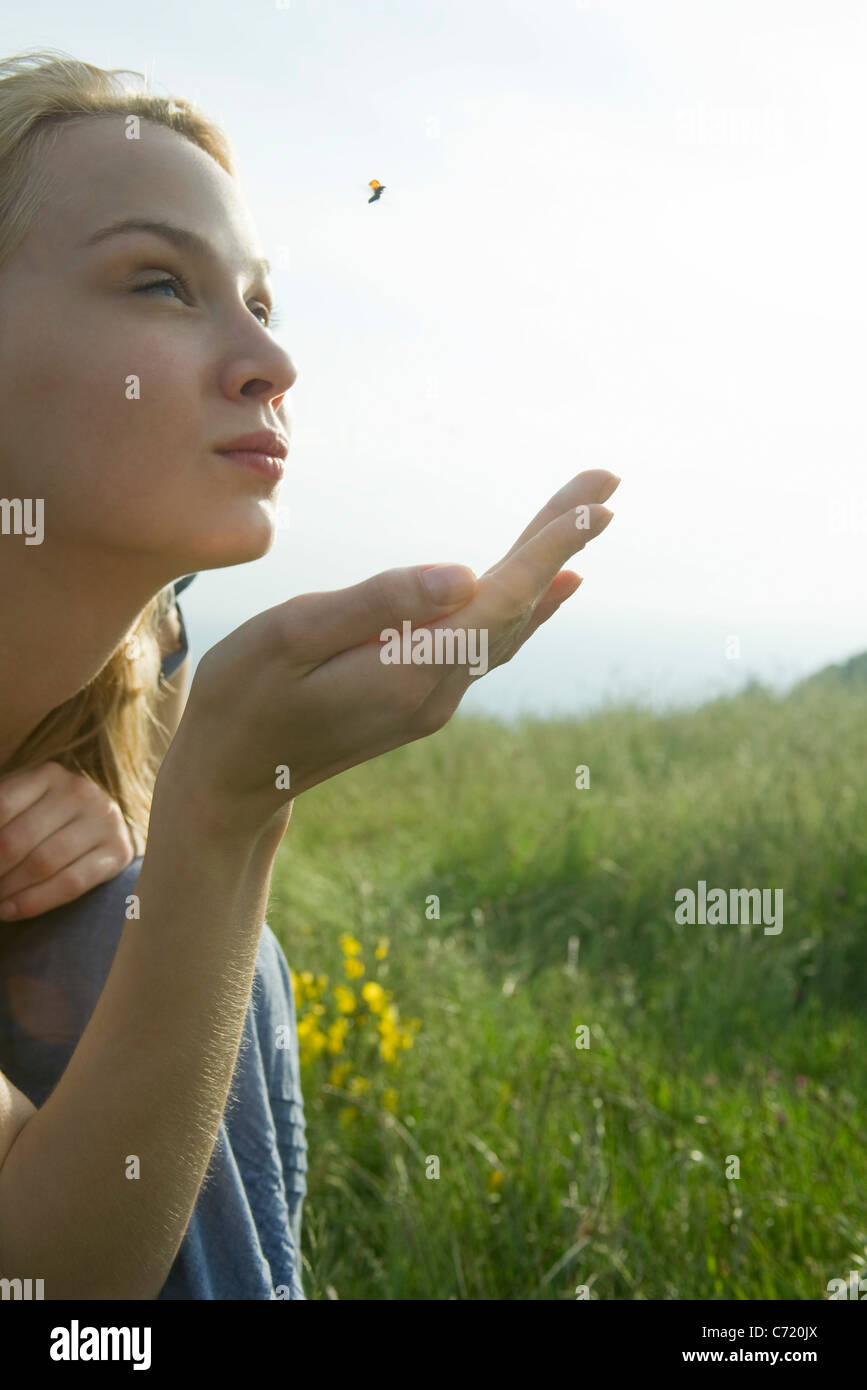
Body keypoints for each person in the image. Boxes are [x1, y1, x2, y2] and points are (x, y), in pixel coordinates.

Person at [0, 48, 618, 1300]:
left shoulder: (145, 651)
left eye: (263, 303)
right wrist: (220, 812)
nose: (268, 364)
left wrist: (140, 815)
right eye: (163, 283)